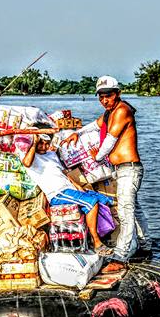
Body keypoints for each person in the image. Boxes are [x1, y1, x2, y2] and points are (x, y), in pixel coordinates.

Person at [61, 75, 148, 272]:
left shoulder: (122, 110)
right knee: (135, 210)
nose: (104, 100)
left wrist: (98, 157)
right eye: (101, 97)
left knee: (126, 212)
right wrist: (77, 133)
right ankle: (145, 246)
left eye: (108, 95)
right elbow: (95, 125)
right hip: (121, 170)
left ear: (118, 93)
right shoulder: (109, 113)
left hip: (129, 169)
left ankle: (121, 257)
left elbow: (110, 140)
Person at [20, 129, 114, 255]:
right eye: (41, 143)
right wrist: (34, 143)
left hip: (70, 190)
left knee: (104, 200)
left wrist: (77, 186)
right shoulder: (30, 157)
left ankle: (104, 235)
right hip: (57, 194)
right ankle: (97, 242)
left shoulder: (51, 154)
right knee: (91, 203)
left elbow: (64, 173)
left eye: (47, 143)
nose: (44, 146)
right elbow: (26, 163)